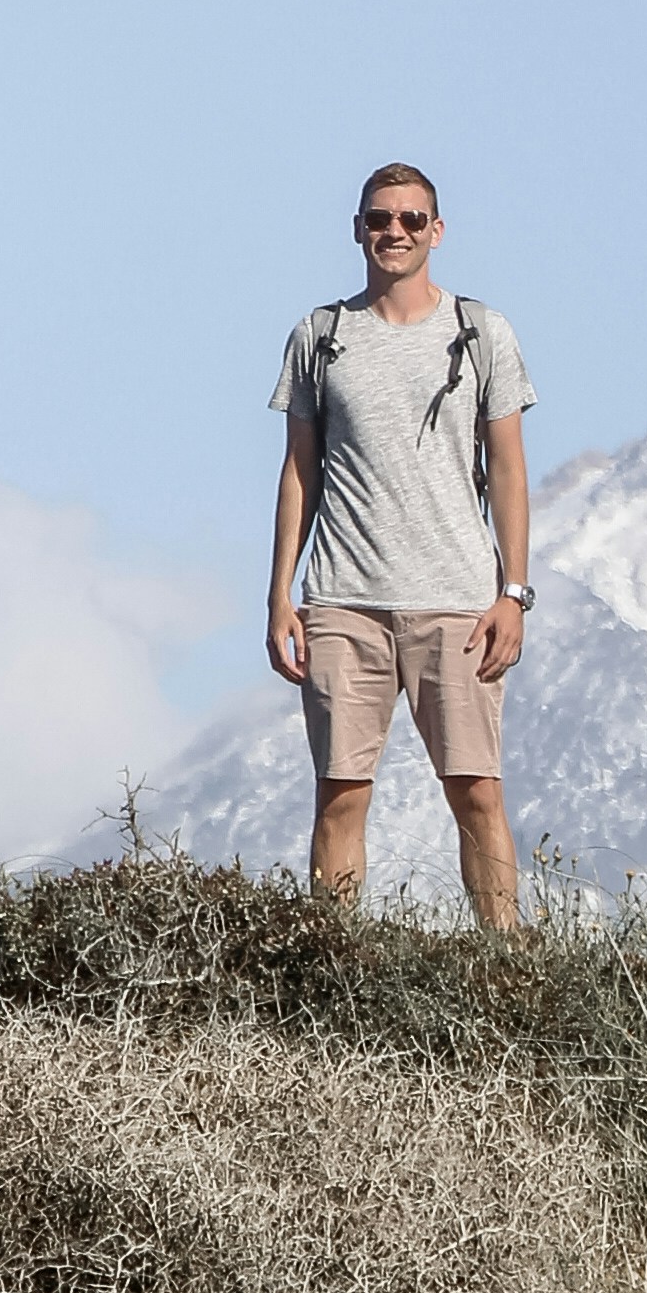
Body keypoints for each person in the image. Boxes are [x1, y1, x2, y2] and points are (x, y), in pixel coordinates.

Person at [267, 160, 536, 924]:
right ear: (358, 229)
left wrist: (512, 593)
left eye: (411, 220)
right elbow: (298, 472)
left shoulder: (481, 333)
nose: (395, 232)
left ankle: (508, 968)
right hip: (343, 601)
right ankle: (336, 968)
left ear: (437, 232)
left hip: (456, 599)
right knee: (340, 796)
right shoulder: (320, 336)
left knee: (478, 791)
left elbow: (509, 470)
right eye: (380, 218)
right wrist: (280, 595)